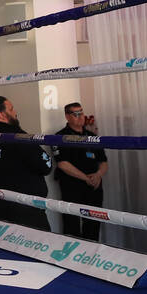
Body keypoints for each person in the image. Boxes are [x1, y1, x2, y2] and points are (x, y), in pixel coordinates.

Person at [0, 95, 51, 231]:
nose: (15, 112)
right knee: (35, 248)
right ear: (2, 114)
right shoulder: (16, 135)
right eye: (11, 109)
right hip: (25, 207)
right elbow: (45, 165)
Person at [52, 102, 107, 240]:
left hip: (94, 186)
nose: (80, 117)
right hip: (72, 186)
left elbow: (104, 161)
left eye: (81, 113)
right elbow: (63, 164)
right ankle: (71, 257)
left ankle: (91, 256)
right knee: (72, 225)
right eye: (75, 114)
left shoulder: (92, 136)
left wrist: (98, 175)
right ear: (67, 117)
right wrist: (86, 178)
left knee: (93, 225)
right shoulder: (59, 136)